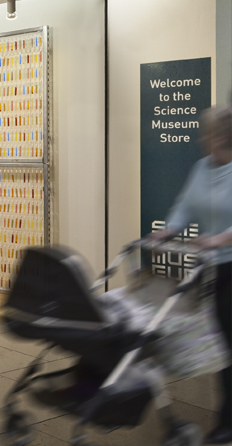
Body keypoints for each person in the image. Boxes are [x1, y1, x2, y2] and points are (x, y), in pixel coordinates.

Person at [149, 106, 232, 445]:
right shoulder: (201, 168)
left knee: (228, 344)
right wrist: (168, 230)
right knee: (213, 341)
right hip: (208, 267)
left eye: (205, 133)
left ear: (221, 138)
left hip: (230, 264)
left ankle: (229, 421)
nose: (200, 139)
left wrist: (219, 239)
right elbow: (185, 205)